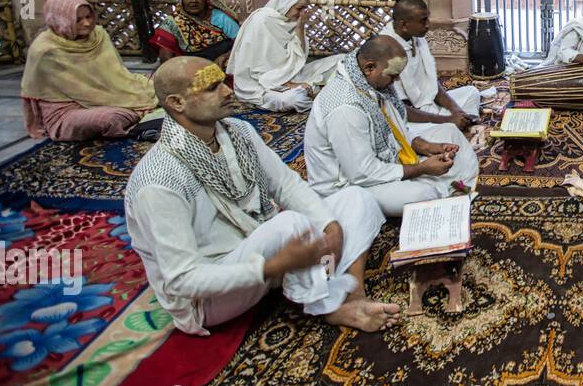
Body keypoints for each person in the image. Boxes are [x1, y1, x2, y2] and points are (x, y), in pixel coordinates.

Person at [124, 57, 399, 335]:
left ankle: (353, 293)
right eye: (212, 87)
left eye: (223, 82)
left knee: (356, 198)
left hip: (265, 250)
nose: (228, 91)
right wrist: (272, 266)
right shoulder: (159, 181)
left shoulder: (238, 131)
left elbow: (285, 184)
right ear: (176, 103)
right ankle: (328, 305)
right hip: (210, 297)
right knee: (289, 224)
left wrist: (329, 225)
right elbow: (182, 280)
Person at [304, 35, 478, 218]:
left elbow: (396, 129)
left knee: (449, 131)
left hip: (382, 161)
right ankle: (443, 189)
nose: (395, 82)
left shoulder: (370, 81)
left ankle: (449, 187)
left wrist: (427, 147)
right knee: (423, 195)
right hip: (349, 188)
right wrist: (422, 169)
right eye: (392, 76)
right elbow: (362, 173)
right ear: (370, 67)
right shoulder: (345, 108)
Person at [20, 0, 157, 142]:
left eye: (88, 17)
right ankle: (136, 126)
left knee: (165, 80)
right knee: (109, 119)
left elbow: (115, 74)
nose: (86, 23)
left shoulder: (98, 35)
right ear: (59, 20)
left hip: (113, 93)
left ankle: (134, 112)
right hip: (68, 109)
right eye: (77, 20)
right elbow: (34, 94)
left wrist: (122, 94)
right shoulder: (45, 50)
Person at [225, 0, 342, 112]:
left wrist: (300, 26)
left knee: (341, 61)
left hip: (290, 74)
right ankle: (319, 92)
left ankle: (317, 91)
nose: (302, 13)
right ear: (286, 3)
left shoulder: (291, 22)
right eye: (299, 8)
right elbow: (257, 69)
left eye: (305, 9)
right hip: (261, 85)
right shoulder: (262, 21)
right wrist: (290, 85)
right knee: (296, 99)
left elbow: (300, 55)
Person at [379, 0, 480, 132]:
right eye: (423, 21)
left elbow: (431, 83)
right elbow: (398, 108)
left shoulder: (416, 38)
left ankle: (457, 123)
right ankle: (450, 128)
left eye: (427, 18)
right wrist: (446, 120)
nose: (428, 25)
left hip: (427, 104)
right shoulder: (386, 50)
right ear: (404, 25)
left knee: (471, 92)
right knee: (439, 131)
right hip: (409, 115)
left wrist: (456, 110)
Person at [150, 0, 240, 66]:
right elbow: (166, 57)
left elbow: (240, 43)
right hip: (190, 68)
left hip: (222, 64)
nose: (194, 0)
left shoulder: (221, 17)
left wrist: (225, 56)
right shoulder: (173, 22)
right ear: (181, 0)